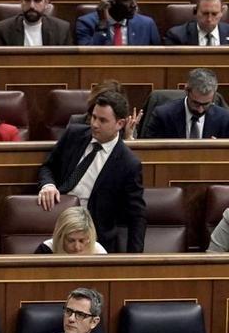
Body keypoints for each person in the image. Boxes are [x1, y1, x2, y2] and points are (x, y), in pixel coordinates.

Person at [37, 90, 147, 253]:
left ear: (120, 124)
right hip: (55, 220)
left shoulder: (128, 164)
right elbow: (48, 167)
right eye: (94, 117)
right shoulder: (74, 135)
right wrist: (48, 185)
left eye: (102, 120)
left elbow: (137, 215)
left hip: (93, 237)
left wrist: (134, 261)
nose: (94, 124)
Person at [142, 68, 229, 139]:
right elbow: (149, 153)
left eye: (206, 104)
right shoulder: (163, 116)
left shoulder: (224, 119)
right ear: (186, 91)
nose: (200, 110)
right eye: (196, 103)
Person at [75, 0, 162, 46]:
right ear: (111, 2)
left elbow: (158, 59)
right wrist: (102, 25)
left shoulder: (147, 24)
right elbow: (87, 57)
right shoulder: (86, 23)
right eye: (127, 0)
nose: (134, 5)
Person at [0, 0, 73, 46]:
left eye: (37, 0)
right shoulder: (3, 29)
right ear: (21, 1)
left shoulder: (62, 29)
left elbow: (68, 63)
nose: (32, 6)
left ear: (46, 2)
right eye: (27, 0)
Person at [164, 0, 229, 46]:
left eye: (214, 14)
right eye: (205, 14)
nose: (209, 19)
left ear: (221, 13)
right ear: (195, 11)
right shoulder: (176, 36)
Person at [35, 206, 108, 254]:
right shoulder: (45, 250)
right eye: (71, 240)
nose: (77, 247)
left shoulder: (98, 251)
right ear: (60, 237)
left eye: (82, 241)